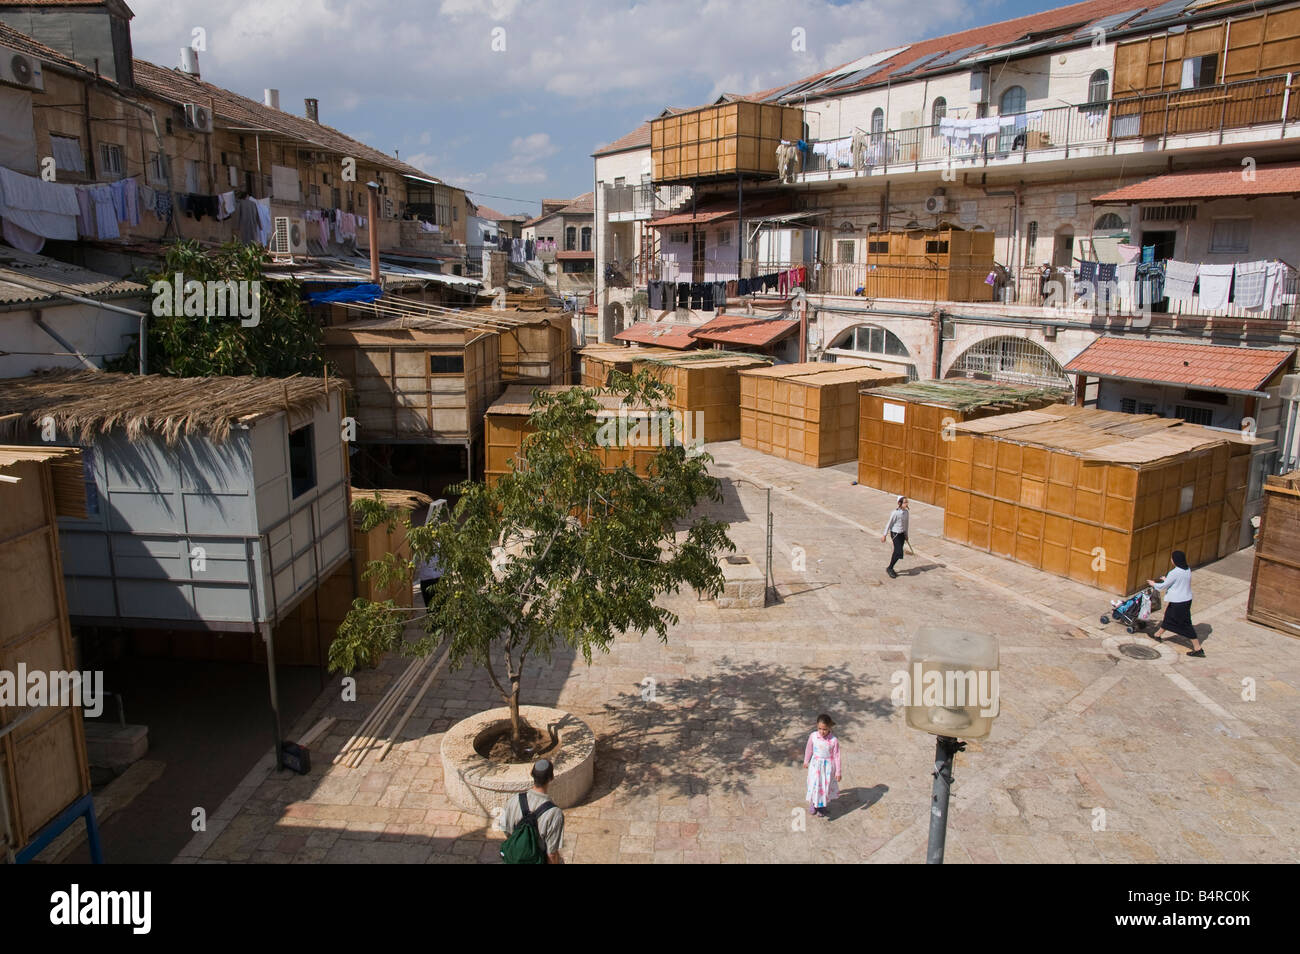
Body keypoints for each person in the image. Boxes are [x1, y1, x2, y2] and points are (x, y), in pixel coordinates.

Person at [499, 759, 565, 864]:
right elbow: (551, 853)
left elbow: (506, 830)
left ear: (531, 774)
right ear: (551, 778)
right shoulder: (554, 813)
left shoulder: (514, 800)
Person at [1147, 550, 1204, 657]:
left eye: (1172, 558)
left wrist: (1153, 583)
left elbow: (1163, 586)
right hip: (1185, 600)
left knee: (1185, 624)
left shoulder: (1174, 572)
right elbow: (1178, 582)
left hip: (1179, 601)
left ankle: (1198, 648)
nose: (1171, 560)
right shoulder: (1187, 569)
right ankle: (1157, 634)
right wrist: (1166, 579)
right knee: (1168, 617)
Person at [803, 714, 841, 819]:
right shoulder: (813, 736)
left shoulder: (833, 740)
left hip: (827, 768)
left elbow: (837, 756)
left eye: (824, 729)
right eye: (819, 728)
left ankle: (822, 806)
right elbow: (809, 749)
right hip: (815, 766)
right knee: (814, 784)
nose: (822, 731)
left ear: (829, 727)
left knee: (824, 786)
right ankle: (813, 803)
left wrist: (838, 771)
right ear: (816, 726)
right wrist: (806, 760)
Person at [416, 499, 446, 608]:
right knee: (438, 607)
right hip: (434, 579)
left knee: (433, 608)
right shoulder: (425, 545)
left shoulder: (423, 545)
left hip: (432, 580)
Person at [881, 496, 909, 578]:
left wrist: (906, 535)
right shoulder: (895, 513)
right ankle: (890, 568)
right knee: (899, 551)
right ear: (899, 503)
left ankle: (890, 567)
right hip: (895, 533)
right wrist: (884, 535)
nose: (906, 504)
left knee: (897, 552)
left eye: (907, 502)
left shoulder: (906, 512)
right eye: (905, 502)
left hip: (902, 534)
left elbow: (906, 524)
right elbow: (889, 523)